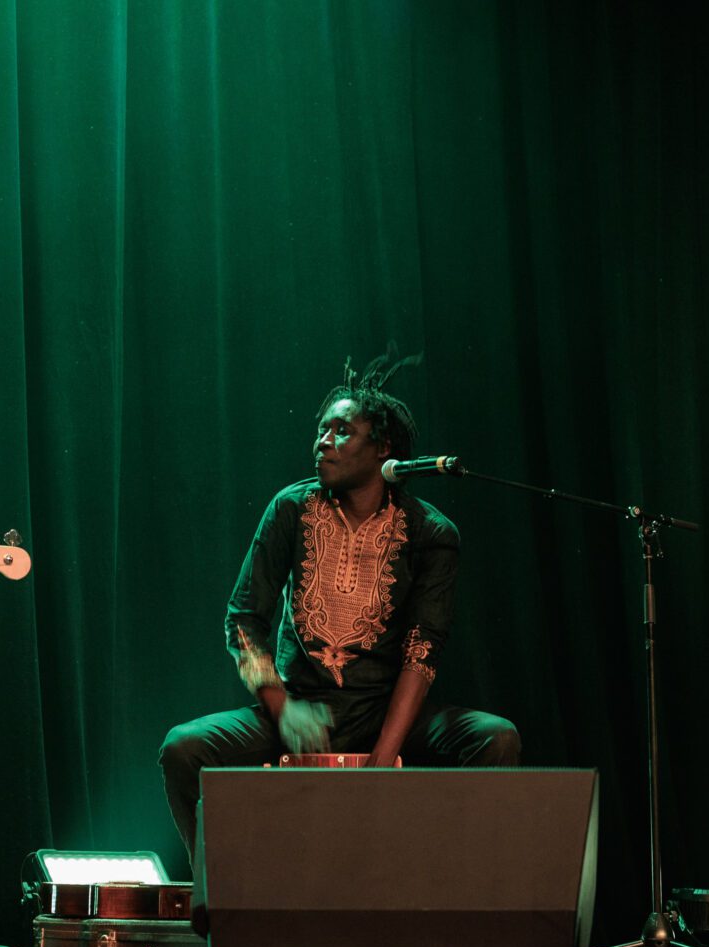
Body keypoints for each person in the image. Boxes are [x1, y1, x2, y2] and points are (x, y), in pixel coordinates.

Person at [158, 356, 521, 864]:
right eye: (321, 430)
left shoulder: (430, 531)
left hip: (385, 714)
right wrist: (283, 710)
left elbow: (423, 651)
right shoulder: (291, 508)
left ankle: (454, 887)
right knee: (183, 748)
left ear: (383, 448)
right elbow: (243, 621)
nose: (323, 442)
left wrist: (383, 759)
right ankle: (219, 896)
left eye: (342, 431)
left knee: (496, 740)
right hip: (301, 713)